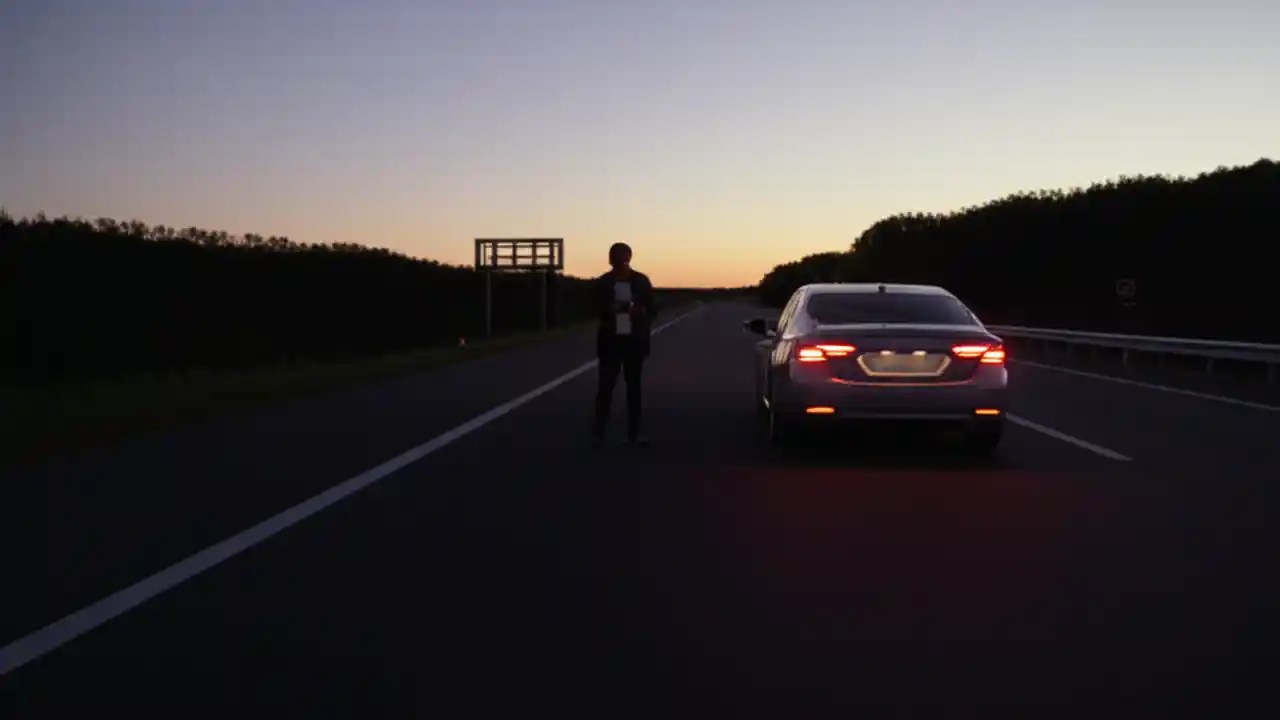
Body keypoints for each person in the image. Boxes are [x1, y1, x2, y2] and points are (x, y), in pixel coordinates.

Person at [591, 242, 656, 447]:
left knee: (633, 388)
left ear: (627, 257)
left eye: (618, 255)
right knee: (605, 388)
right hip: (611, 341)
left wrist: (638, 313)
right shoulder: (604, 282)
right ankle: (598, 433)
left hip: (633, 341)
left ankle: (633, 434)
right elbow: (600, 306)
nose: (615, 259)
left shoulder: (640, 281)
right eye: (613, 255)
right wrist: (624, 308)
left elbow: (651, 306)